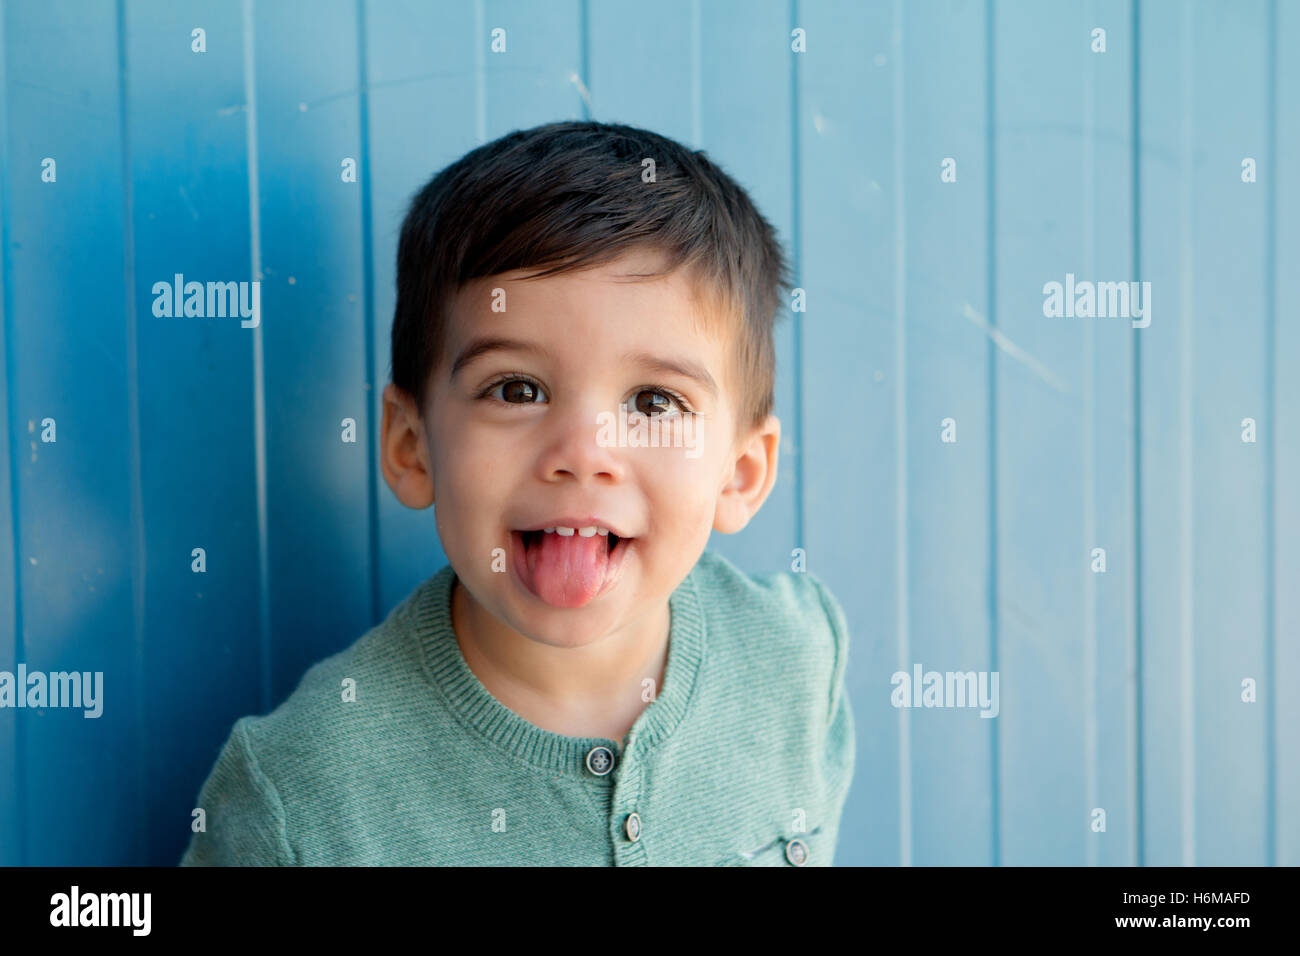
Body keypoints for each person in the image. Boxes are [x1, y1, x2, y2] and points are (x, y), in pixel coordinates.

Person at [181, 120, 854, 866]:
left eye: (655, 403)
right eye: (517, 388)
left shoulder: (796, 656)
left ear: (741, 472)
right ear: (411, 447)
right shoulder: (300, 794)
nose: (583, 454)